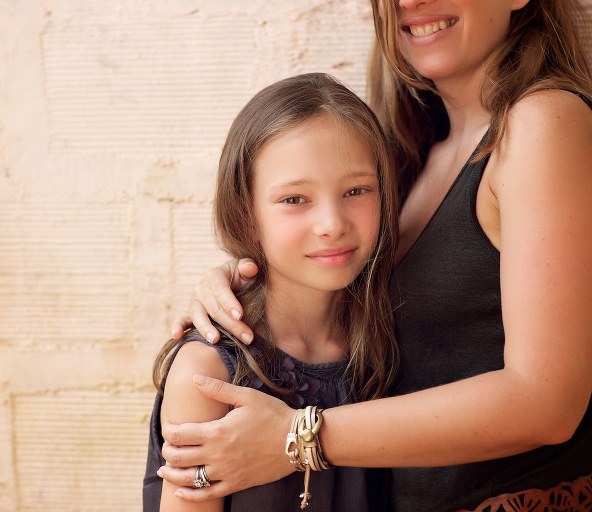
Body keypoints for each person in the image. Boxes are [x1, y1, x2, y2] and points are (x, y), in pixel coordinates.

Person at [157, 1, 592, 511]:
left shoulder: (542, 121)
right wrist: (244, 280)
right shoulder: (411, 150)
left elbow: (547, 401)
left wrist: (297, 436)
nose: (409, 1)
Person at [142, 72, 400, 511]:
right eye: (295, 199)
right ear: (246, 213)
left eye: (356, 190)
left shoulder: (385, 341)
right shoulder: (208, 374)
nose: (332, 224)